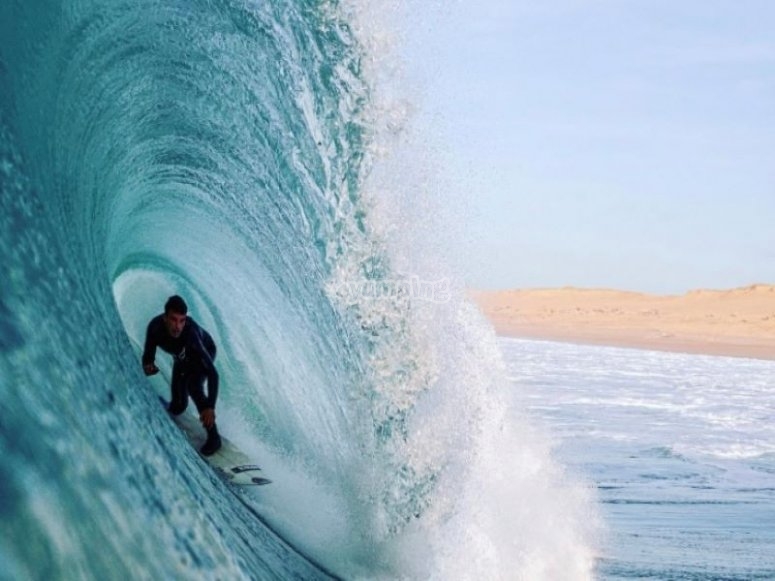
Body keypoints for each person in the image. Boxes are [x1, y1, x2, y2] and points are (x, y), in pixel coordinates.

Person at [142, 295, 222, 456]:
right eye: (173, 320)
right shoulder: (155, 328)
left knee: (194, 385)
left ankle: (214, 438)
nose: (178, 326)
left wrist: (210, 407)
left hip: (203, 351)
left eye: (182, 320)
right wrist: (148, 365)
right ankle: (178, 406)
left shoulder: (191, 335)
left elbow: (213, 373)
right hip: (182, 356)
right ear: (165, 318)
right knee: (178, 406)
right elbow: (148, 355)